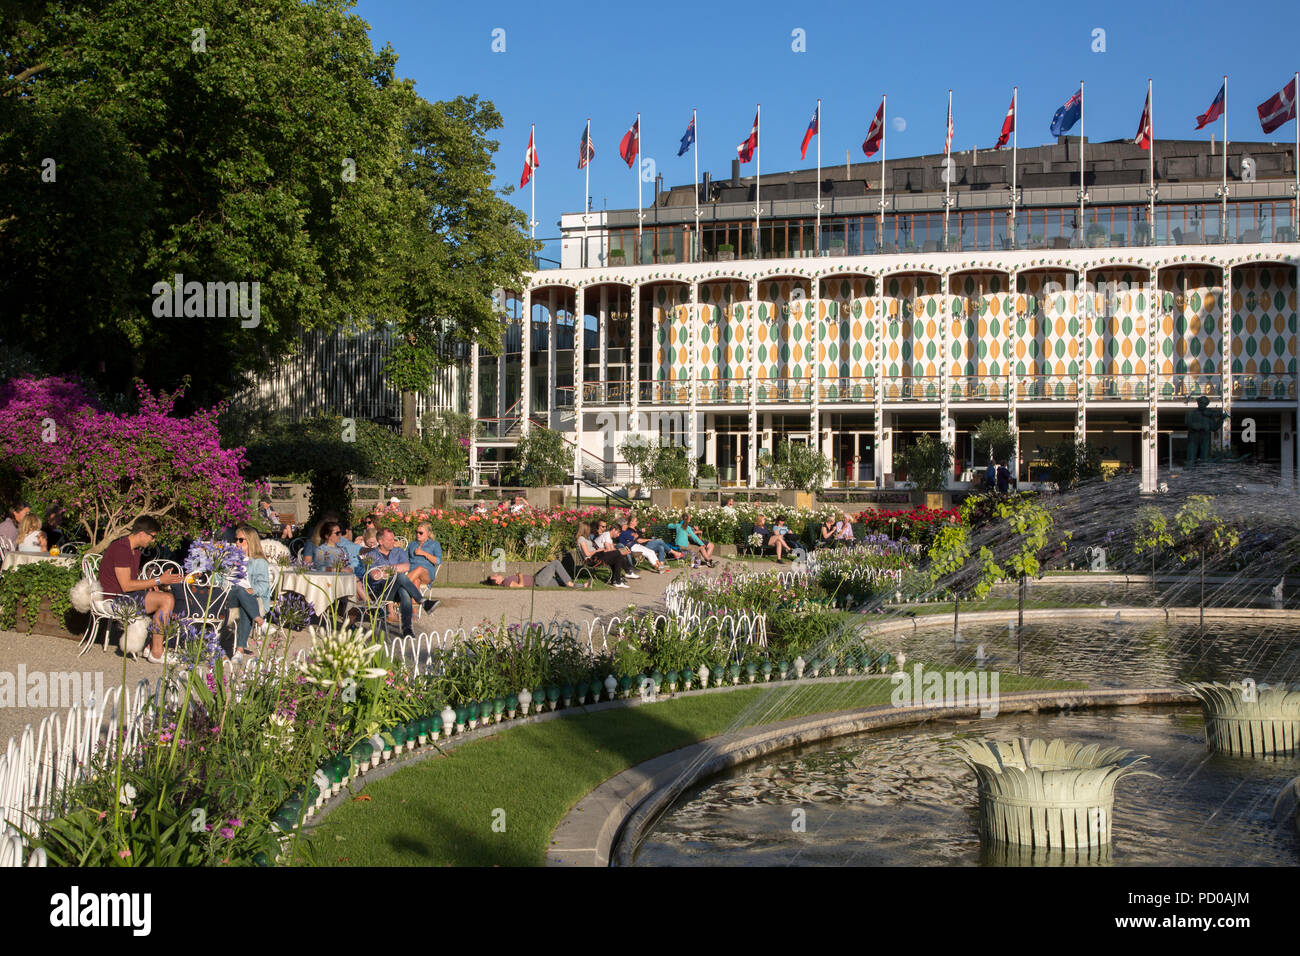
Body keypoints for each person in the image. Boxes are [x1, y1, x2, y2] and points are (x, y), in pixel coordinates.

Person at [98, 515, 182, 663]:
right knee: (166, 599)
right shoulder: (121, 549)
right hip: (114, 598)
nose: (153, 541)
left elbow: (131, 582)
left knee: (165, 596)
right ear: (142, 533)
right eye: (153, 537)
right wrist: (157, 580)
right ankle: (156, 652)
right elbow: (126, 585)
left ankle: (150, 647)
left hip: (126, 595)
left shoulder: (134, 550)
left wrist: (152, 585)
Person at [360, 528, 438, 637]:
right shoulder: (372, 555)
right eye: (390, 540)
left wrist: (386, 569)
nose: (393, 542)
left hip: (394, 591)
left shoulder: (399, 551)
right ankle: (422, 604)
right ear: (381, 542)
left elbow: (406, 566)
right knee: (400, 578)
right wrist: (395, 570)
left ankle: (407, 627)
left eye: (393, 539)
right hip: (380, 591)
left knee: (403, 589)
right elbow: (375, 576)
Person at [229, 525, 273, 654]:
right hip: (231, 595)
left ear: (250, 541)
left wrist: (252, 590)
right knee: (238, 589)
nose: (237, 543)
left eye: (241, 540)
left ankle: (239, 650)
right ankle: (260, 621)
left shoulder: (259, 562)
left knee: (244, 602)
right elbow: (220, 580)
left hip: (251, 597)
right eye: (236, 539)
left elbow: (264, 586)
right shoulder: (230, 559)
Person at [575, 520, 629, 587]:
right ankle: (623, 575)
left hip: (597, 556)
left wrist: (601, 550)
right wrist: (597, 551)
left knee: (616, 556)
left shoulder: (587, 538)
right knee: (617, 553)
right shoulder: (581, 539)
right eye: (589, 529)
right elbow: (587, 554)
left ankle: (616, 580)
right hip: (592, 560)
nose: (590, 530)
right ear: (585, 529)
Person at [486, 559, 588, 589]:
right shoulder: (506, 582)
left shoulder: (506, 580)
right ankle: (570, 584)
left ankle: (583, 585)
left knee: (560, 582)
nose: (497, 574)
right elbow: (520, 586)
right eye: (495, 576)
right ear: (497, 581)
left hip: (540, 582)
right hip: (538, 581)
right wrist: (520, 575)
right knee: (556, 563)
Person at [408, 522, 443, 591]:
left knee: (420, 568)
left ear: (428, 533)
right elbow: (404, 559)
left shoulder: (434, 544)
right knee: (416, 581)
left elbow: (438, 561)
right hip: (412, 572)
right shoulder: (412, 544)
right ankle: (417, 601)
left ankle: (397, 587)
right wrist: (397, 548)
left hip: (426, 574)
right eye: (416, 532)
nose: (418, 534)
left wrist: (424, 553)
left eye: (421, 533)